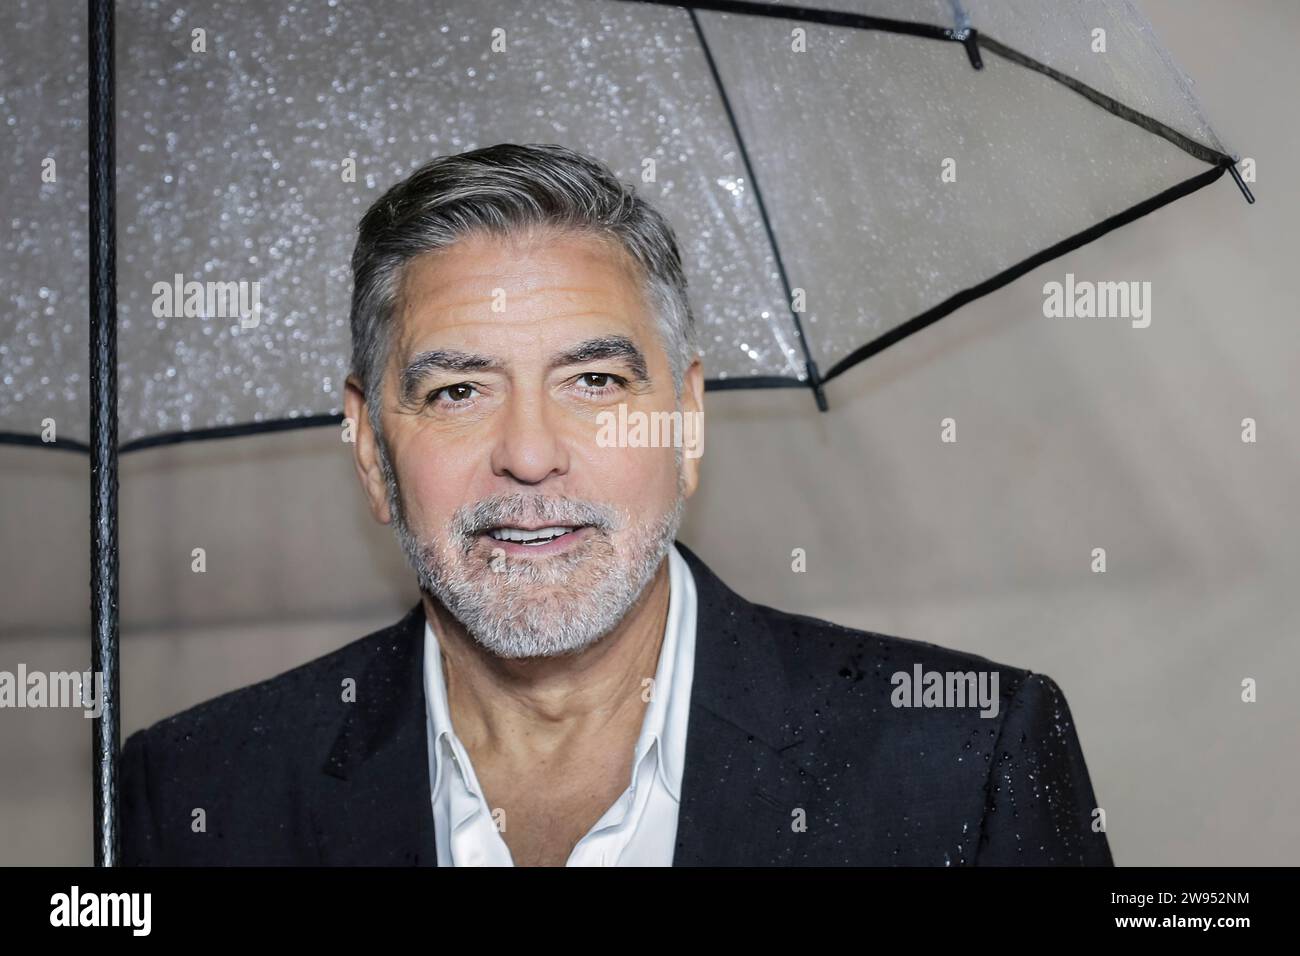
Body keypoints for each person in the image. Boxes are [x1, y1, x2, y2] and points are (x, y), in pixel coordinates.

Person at [120, 143, 1112, 867]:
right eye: (457, 391)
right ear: (372, 449)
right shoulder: (198, 797)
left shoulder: (964, 760)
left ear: (686, 420)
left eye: (593, 380)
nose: (530, 454)